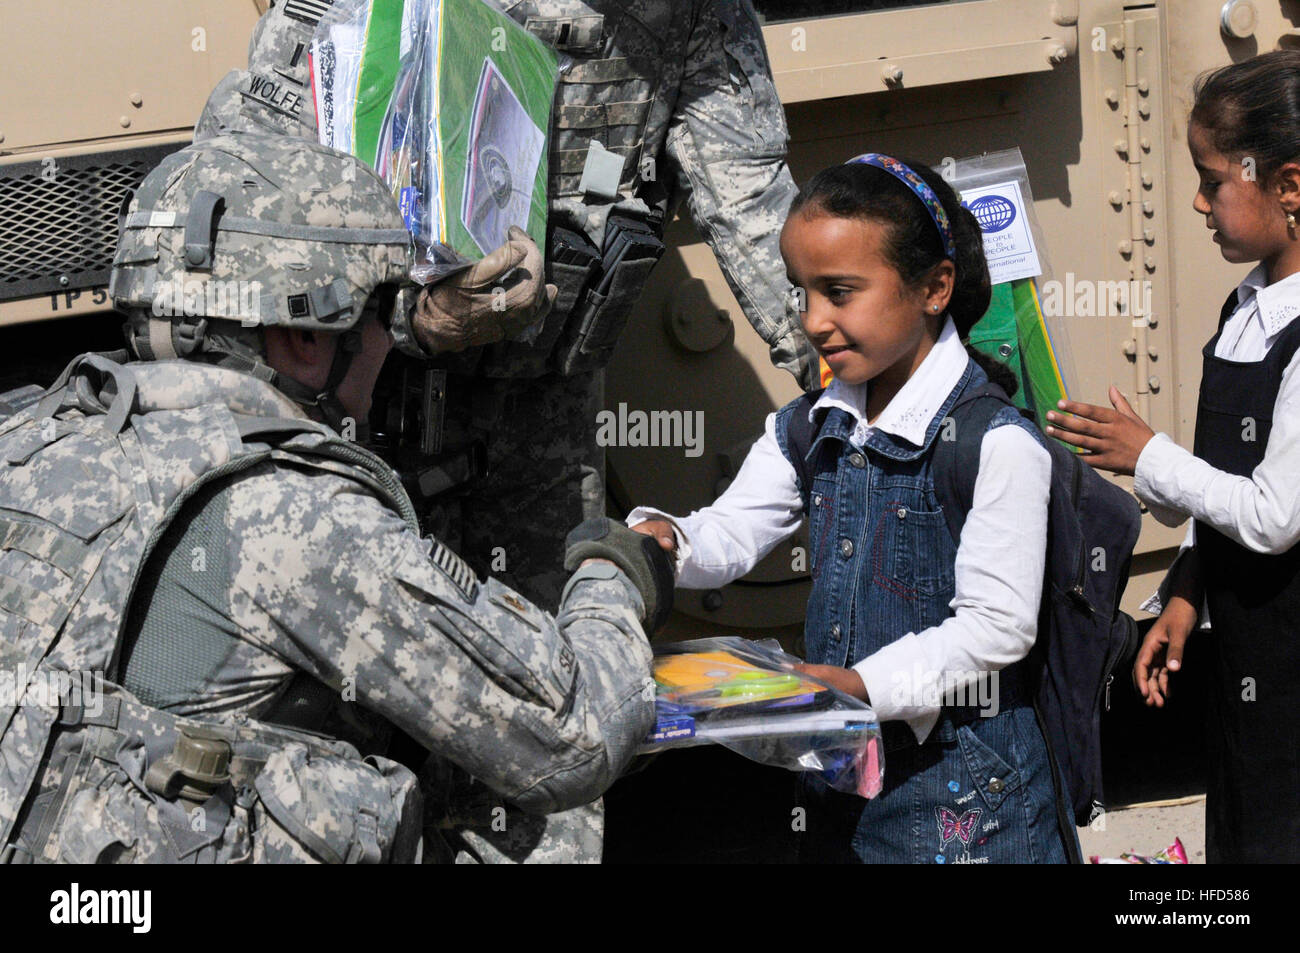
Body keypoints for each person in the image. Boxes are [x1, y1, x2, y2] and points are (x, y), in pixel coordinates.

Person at [194, 0, 813, 863]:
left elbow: (763, 220)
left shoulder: (693, 16)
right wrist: (412, 313)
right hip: (351, 421)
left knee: (551, 743)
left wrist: (903, 386)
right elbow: (235, 204)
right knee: (329, 742)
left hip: (542, 436)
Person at [0, 133, 673, 864]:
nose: (395, 340)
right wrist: (616, 572)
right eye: (384, 311)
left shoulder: (36, 436)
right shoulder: (291, 513)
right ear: (301, 338)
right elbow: (569, 736)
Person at [627, 156, 1077, 863]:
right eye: (802, 292)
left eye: (839, 292)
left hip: (967, 806)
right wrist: (667, 541)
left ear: (934, 288)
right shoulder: (812, 425)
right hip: (845, 787)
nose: (813, 321)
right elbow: (734, 530)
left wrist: (860, 685)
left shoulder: (996, 444)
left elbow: (997, 629)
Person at [1044, 51, 1300, 864]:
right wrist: (1187, 588)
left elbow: (1273, 515)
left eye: (1213, 179)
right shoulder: (1244, 308)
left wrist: (1148, 453)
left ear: (1289, 187)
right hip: (1250, 667)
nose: (1197, 200)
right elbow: (1230, 475)